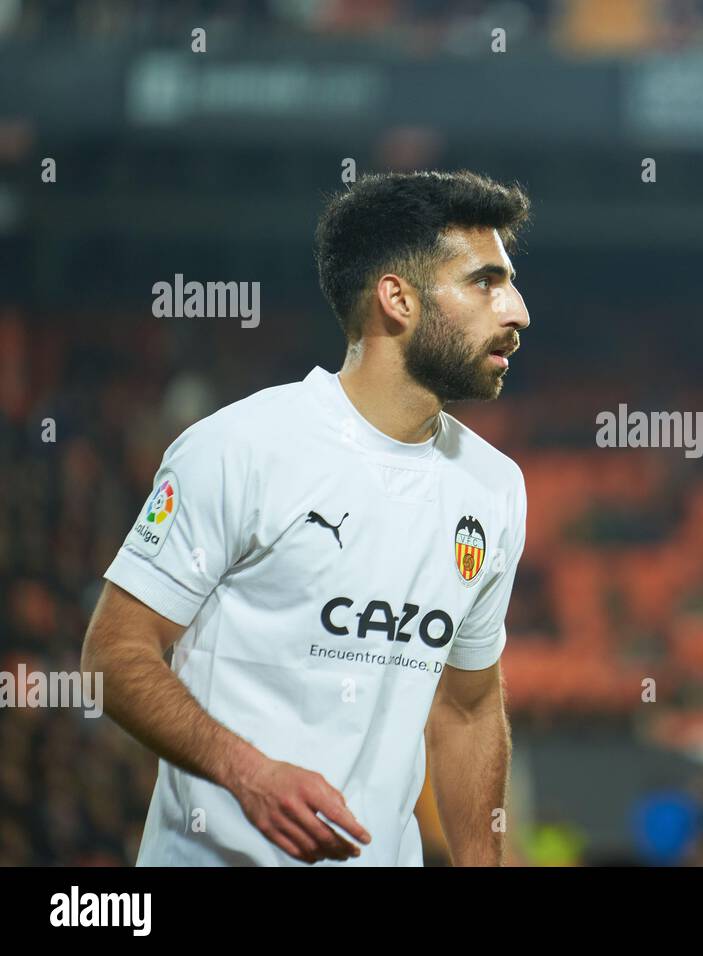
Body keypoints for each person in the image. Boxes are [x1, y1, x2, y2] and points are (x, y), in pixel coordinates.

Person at [81, 169, 532, 866]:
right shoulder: (239, 449)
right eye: (485, 282)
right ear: (397, 299)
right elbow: (112, 656)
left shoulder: (493, 489)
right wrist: (248, 774)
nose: (517, 310)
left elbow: (467, 708)